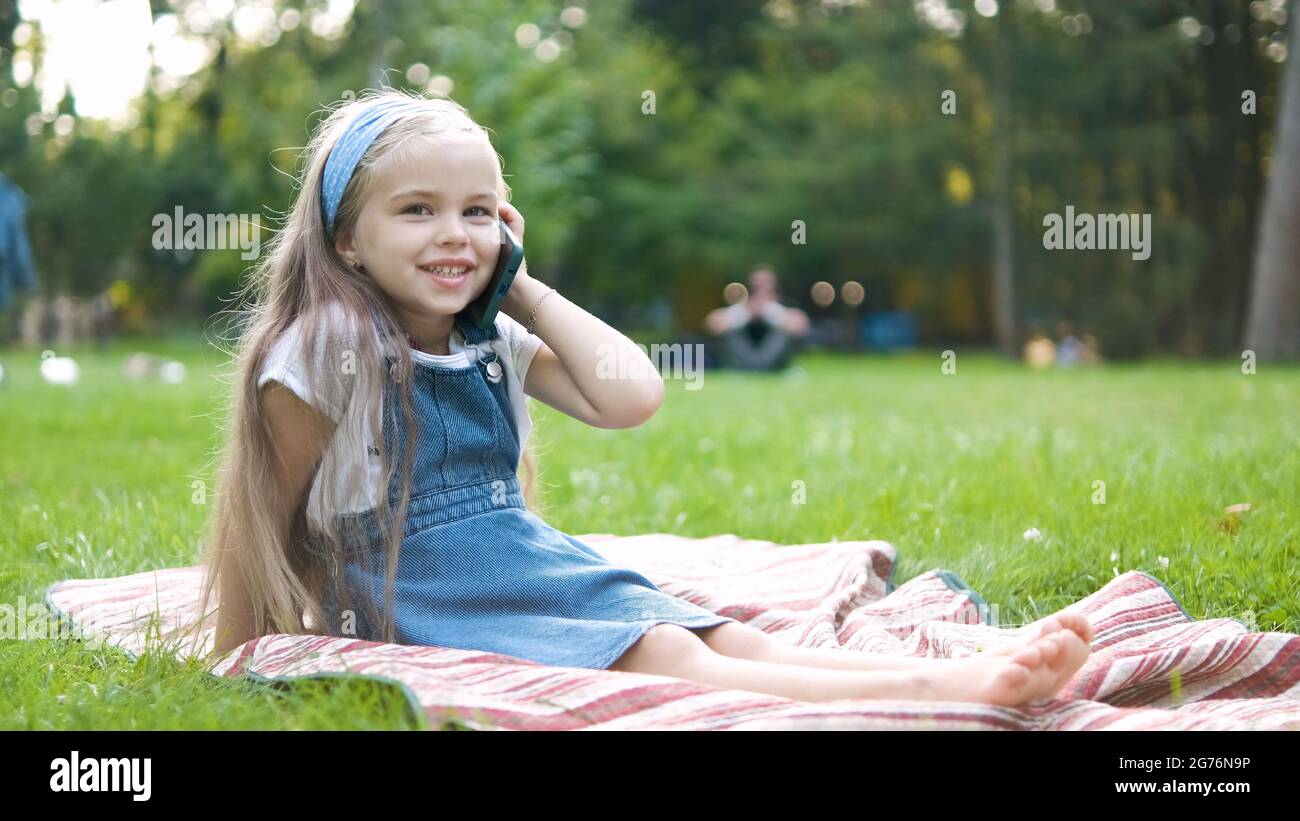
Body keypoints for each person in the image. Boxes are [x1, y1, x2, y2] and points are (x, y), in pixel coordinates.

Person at [198, 90, 1092, 707]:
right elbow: (259, 514)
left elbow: (633, 398)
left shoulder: (491, 340)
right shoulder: (328, 352)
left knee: (712, 630)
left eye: (479, 212)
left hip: (515, 561)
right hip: (417, 591)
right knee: (668, 654)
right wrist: (234, 653)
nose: (454, 235)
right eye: (418, 210)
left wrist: (524, 290)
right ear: (348, 240)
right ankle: (942, 692)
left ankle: (982, 655)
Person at [704, 266, 810, 371]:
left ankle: (761, 367)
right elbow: (712, 324)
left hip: (774, 363)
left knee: (783, 333)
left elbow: (800, 327)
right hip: (741, 362)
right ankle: (752, 367)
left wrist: (770, 313)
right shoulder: (740, 308)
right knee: (730, 333)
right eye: (756, 287)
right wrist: (745, 315)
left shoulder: (784, 308)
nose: (760, 291)